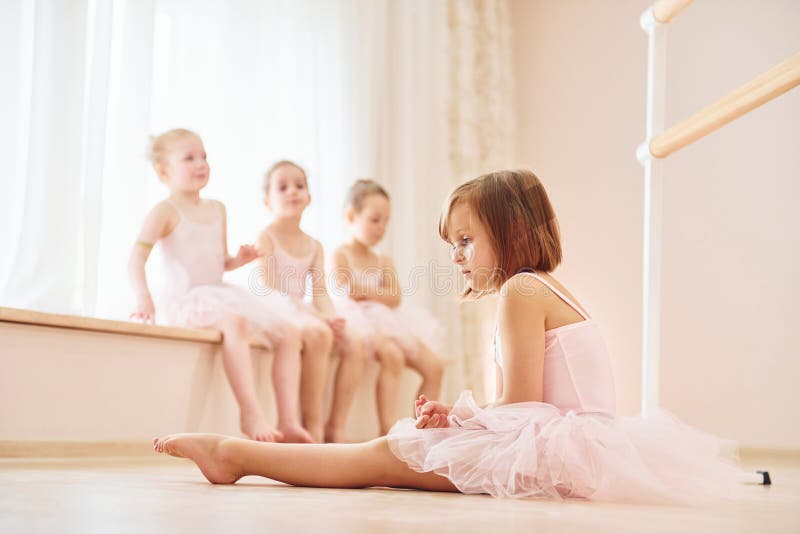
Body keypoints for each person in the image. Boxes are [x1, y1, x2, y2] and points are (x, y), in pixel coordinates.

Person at [153, 169, 743, 503]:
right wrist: (457, 419)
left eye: (465, 241)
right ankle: (236, 453)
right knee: (396, 447)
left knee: (384, 454)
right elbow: (530, 401)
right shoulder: (543, 288)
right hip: (571, 440)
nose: (457, 257)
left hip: (557, 447)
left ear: (509, 231)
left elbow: (524, 404)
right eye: (451, 245)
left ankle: (233, 454)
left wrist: (461, 421)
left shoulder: (521, 292)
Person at [129, 129, 311, 443]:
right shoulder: (164, 212)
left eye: (204, 156)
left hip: (218, 290)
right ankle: (251, 413)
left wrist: (238, 260)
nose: (201, 163)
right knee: (235, 322)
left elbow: (218, 261)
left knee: (290, 333)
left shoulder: (217, 209)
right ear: (163, 172)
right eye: (189, 158)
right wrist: (143, 296)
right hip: (189, 298)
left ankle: (289, 420)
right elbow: (136, 258)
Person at [328, 179, 444, 440]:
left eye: (386, 221)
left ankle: (423, 432)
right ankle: (386, 431)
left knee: (435, 366)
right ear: (351, 216)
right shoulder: (341, 254)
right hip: (359, 321)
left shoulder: (383, 260)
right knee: (392, 355)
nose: (381, 228)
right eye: (374, 219)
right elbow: (348, 290)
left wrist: (368, 292)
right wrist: (376, 294)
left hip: (391, 321)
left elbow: (395, 298)